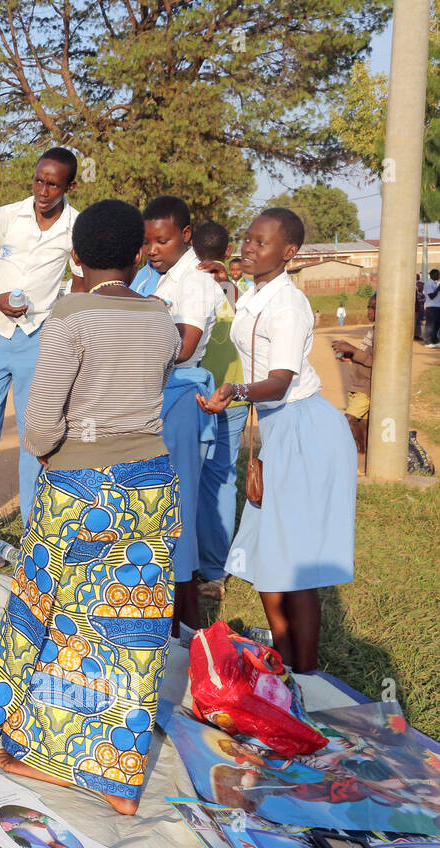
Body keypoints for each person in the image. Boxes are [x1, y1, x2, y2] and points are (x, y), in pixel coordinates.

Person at [0, 199, 180, 816]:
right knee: (132, 630)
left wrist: (64, 441)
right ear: (138, 253)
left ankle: (33, 748)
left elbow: (37, 430)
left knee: (48, 618)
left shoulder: (68, 314)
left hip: (82, 487)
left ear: (78, 257)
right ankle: (119, 780)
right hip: (151, 486)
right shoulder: (162, 316)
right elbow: (153, 387)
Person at [197, 208, 357, 674]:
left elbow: (282, 381)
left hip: (304, 430)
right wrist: (224, 275)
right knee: (270, 559)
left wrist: (235, 392)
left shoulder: (288, 305)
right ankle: (285, 665)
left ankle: (305, 676)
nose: (249, 247)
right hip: (281, 428)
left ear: (288, 253)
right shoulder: (257, 292)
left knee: (293, 566)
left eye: (261, 243)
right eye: (247, 239)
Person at [0, 148, 81, 525]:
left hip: (38, 338)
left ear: (69, 185)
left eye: (53, 184)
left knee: (34, 435)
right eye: (38, 180)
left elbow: (79, 281)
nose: (43, 190)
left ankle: (34, 524)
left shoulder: (74, 226)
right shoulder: (7, 215)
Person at [143, 195, 223, 640]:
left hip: (180, 393)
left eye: (163, 240)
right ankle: (175, 618)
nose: (153, 249)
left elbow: (185, 344)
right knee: (161, 507)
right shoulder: (165, 276)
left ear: (186, 236)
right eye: (148, 240)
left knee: (177, 508)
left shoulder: (193, 282)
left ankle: (186, 622)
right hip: (161, 393)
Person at [192, 221, 247, 601]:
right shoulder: (246, 288)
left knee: (193, 477)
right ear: (228, 252)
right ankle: (211, 572)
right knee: (220, 479)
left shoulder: (182, 281)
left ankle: (198, 568)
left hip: (196, 392)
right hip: (234, 390)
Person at [332, 293, 376, 468]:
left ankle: (336, 459)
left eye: (373, 308)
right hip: (357, 385)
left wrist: (351, 349)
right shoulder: (372, 330)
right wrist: (350, 356)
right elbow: (366, 357)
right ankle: (362, 459)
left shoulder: (383, 334)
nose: (369, 311)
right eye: (368, 307)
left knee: (347, 421)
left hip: (365, 388)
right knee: (361, 426)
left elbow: (377, 362)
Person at [424, 268, 440, 347]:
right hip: (431, 307)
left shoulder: (437, 283)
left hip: (438, 306)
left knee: (437, 325)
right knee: (430, 325)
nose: (438, 276)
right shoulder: (428, 283)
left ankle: (434, 341)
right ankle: (427, 342)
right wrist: (438, 288)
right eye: (437, 274)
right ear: (432, 275)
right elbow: (431, 296)